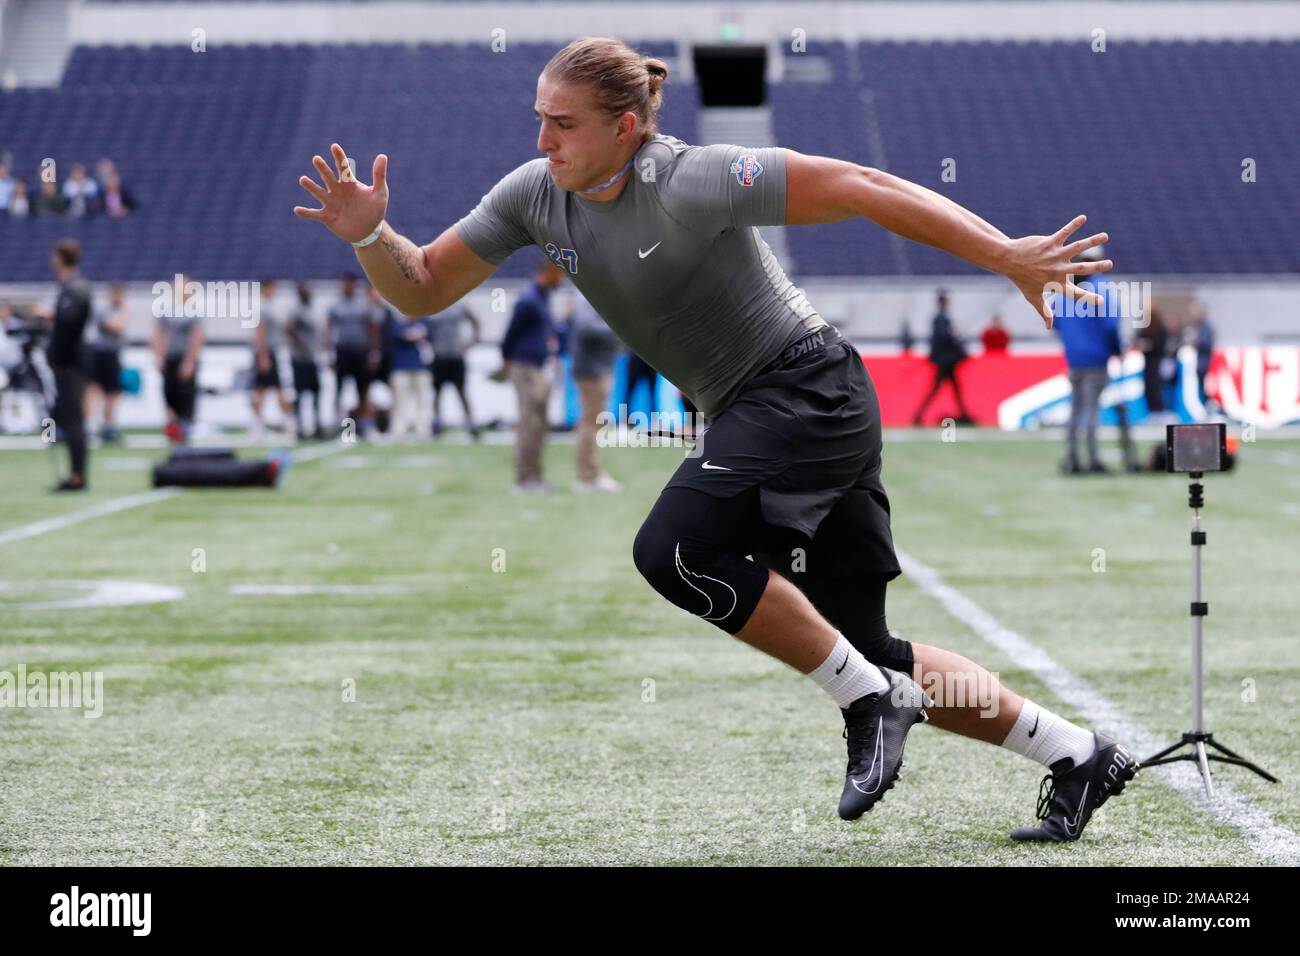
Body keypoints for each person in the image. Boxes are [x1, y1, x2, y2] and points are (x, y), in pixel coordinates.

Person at [293, 36, 1137, 843]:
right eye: (539, 118)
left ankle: (867, 703)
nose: (542, 138)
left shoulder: (691, 180)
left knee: (674, 549)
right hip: (766, 408)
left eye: (563, 122)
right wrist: (370, 235)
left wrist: (1003, 254)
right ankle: (1074, 752)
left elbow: (859, 183)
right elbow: (425, 286)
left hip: (808, 387)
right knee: (869, 646)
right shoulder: (531, 193)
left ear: (625, 127)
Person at [1052, 244, 1122, 474]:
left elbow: (1056, 323)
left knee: (1075, 411)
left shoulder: (1065, 290)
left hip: (1074, 360)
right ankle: (1092, 460)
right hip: (1096, 359)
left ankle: (1071, 458)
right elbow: (1110, 326)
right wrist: (1116, 350)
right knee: (1092, 411)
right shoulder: (1101, 289)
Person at [498, 257, 565, 493]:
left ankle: (535, 476)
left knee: (540, 424)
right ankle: (525, 479)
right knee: (529, 423)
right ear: (549, 272)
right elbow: (509, 335)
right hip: (524, 367)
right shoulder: (529, 300)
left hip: (536, 367)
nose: (563, 279)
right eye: (560, 274)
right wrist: (506, 361)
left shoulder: (542, 299)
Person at [39, 239, 92, 490]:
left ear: (60, 258)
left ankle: (77, 476)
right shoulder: (69, 288)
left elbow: (69, 327)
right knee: (59, 415)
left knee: (73, 420)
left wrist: (52, 318)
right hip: (65, 363)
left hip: (70, 364)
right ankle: (70, 468)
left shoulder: (75, 289)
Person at [568, 290, 622, 493]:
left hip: (597, 368)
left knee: (592, 424)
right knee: (591, 424)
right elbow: (586, 329)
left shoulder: (590, 297)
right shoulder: (585, 298)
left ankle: (590, 474)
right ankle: (589, 476)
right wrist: (618, 328)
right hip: (591, 370)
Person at [326, 272, 380, 436]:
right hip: (342, 351)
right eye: (344, 284)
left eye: (349, 284)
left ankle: (365, 425)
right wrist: (328, 353)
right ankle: (338, 425)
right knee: (339, 389)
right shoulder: (335, 306)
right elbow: (328, 330)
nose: (346, 287)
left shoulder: (363, 306)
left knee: (362, 390)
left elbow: (372, 329)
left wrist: (374, 352)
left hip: (360, 352)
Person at [153, 273, 204, 444]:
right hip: (170, 358)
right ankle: (173, 426)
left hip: (185, 358)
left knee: (186, 394)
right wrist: (158, 356)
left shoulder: (193, 310)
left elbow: (196, 337)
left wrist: (190, 361)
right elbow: (159, 333)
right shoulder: (167, 309)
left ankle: (186, 426)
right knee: (169, 393)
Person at [912, 290, 972, 425]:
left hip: (946, 362)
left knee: (950, 388)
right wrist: (954, 333)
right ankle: (918, 415)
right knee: (940, 389)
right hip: (945, 362)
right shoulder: (940, 319)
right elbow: (943, 338)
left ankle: (963, 414)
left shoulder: (942, 318)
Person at [429, 301, 481, 438]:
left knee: (461, 391)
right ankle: (437, 422)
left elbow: (475, 321)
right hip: (439, 356)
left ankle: (470, 422)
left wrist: (472, 342)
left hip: (456, 356)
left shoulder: (459, 306)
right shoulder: (432, 305)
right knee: (437, 392)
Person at [84, 281, 128, 443]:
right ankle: (89, 426)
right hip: (101, 354)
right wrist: (125, 311)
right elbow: (116, 326)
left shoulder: (116, 309)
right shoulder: (103, 309)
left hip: (113, 354)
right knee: (94, 389)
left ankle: (108, 426)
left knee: (112, 392)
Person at [249, 278, 293, 435]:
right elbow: (259, 333)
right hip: (266, 353)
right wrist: (263, 355)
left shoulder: (269, 307)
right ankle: (261, 424)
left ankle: (261, 423)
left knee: (265, 389)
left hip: (269, 352)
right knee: (265, 389)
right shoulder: (263, 308)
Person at [387, 310, 434, 440]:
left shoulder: (423, 324)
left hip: (421, 368)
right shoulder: (397, 325)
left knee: (423, 400)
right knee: (400, 400)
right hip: (401, 368)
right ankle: (399, 428)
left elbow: (429, 336)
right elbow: (403, 336)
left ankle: (423, 428)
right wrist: (415, 335)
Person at [286, 282, 324, 439]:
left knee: (316, 392)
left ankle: (316, 425)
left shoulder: (311, 310)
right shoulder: (296, 311)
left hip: (312, 358)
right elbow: (289, 329)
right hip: (300, 358)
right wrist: (303, 347)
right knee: (300, 393)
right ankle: (300, 427)